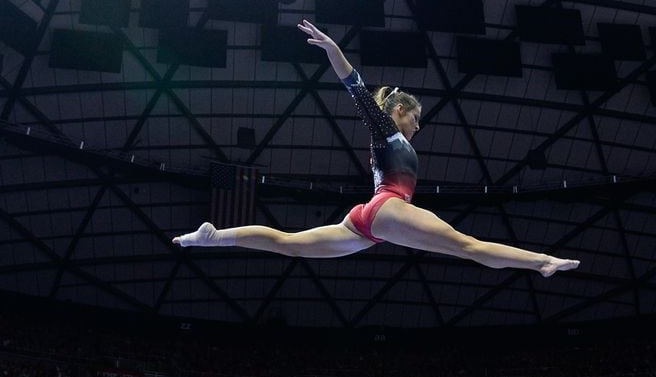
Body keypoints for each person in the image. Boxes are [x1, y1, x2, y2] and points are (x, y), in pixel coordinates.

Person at [172, 20, 581, 279]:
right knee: (466, 246)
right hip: (387, 209)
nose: (417, 127)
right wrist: (333, 49)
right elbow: (355, 86)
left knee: (290, 243)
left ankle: (213, 237)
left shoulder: (390, 139)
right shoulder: (386, 131)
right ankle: (540, 261)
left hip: (365, 223)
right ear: (399, 111)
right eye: (415, 119)